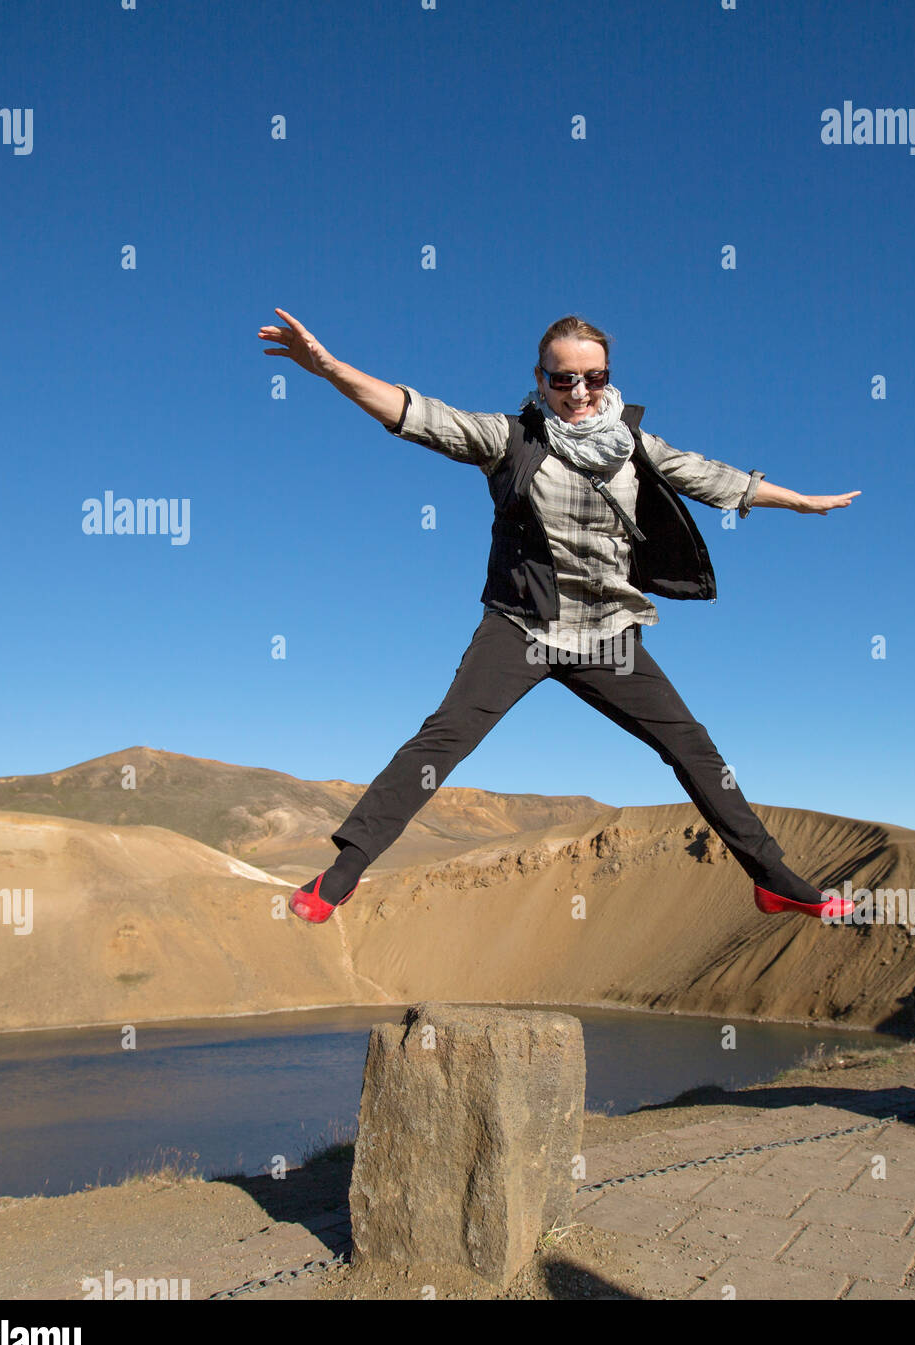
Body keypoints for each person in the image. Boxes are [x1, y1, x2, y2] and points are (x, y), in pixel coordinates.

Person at [257, 309, 861, 924]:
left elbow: (712, 477)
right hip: (522, 626)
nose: (579, 392)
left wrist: (798, 500)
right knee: (443, 739)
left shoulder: (634, 446)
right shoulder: (510, 438)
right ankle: (345, 869)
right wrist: (329, 369)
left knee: (694, 749)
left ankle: (775, 881)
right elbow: (418, 415)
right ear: (540, 379)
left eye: (592, 378)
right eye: (563, 379)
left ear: (607, 377)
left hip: (607, 636)